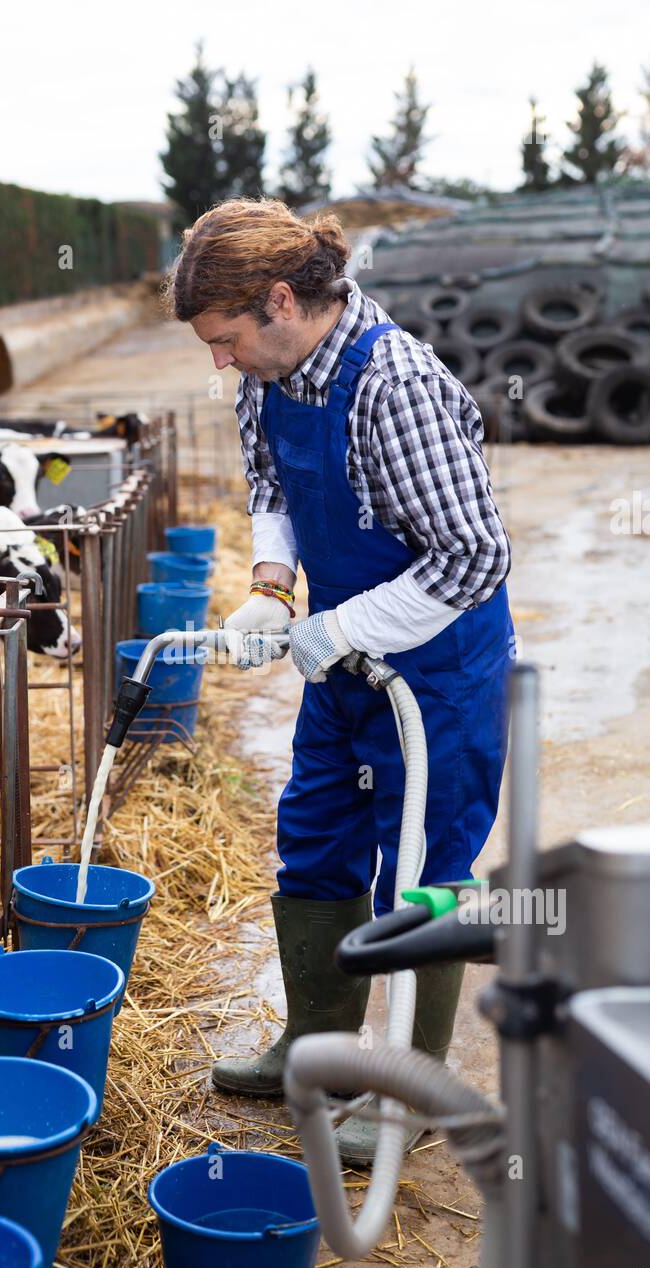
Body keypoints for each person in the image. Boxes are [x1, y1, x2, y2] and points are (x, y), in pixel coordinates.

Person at [167, 198, 513, 1165]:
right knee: (314, 837)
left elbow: (475, 558)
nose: (220, 362)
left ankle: (404, 1090)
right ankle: (309, 1050)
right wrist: (273, 591)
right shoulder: (264, 373)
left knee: (420, 873)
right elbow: (272, 484)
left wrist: (341, 627)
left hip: (437, 662)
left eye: (228, 338)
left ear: (281, 300)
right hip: (345, 655)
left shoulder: (390, 386)